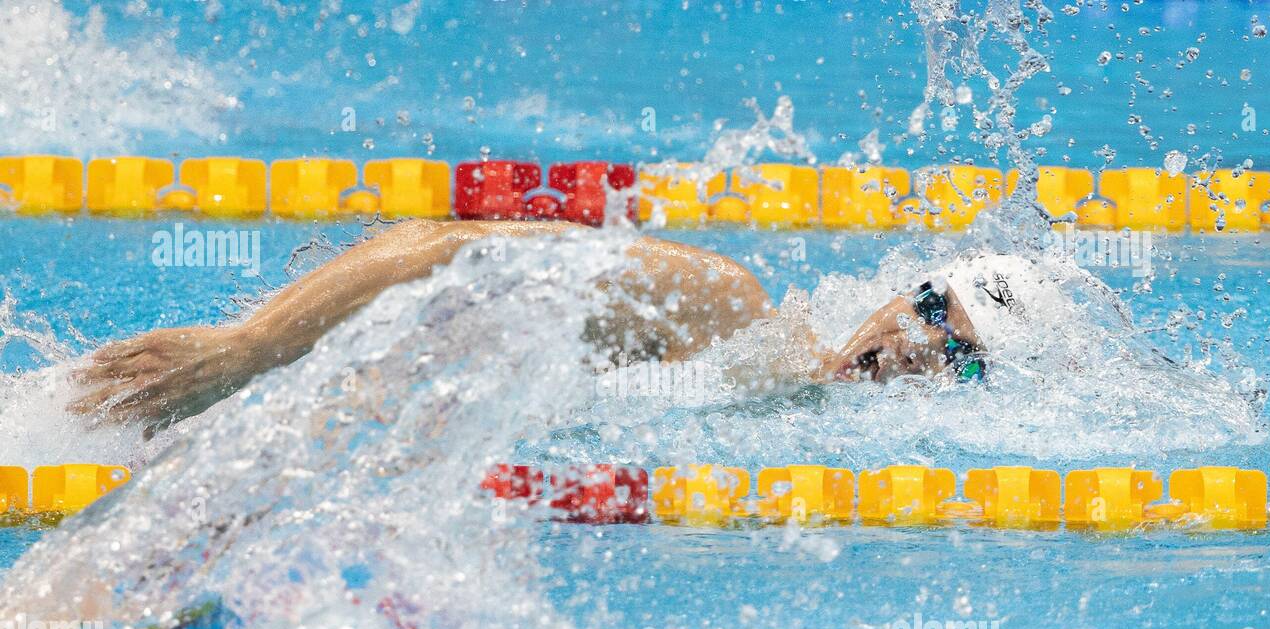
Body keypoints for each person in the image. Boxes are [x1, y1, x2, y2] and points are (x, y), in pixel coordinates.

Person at [70, 219, 1058, 431]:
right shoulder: (732, 310)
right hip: (250, 389)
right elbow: (454, 249)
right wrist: (247, 351)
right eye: (932, 310)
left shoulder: (784, 413)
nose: (917, 348)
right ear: (899, 295)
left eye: (961, 356)